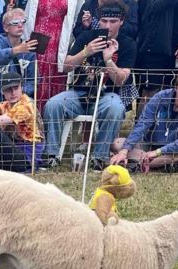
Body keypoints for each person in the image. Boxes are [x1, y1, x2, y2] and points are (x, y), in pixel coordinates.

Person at [42, 0, 135, 172]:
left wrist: (108, 60)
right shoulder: (86, 37)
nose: (108, 26)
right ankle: (51, 155)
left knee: (115, 107)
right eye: (104, 21)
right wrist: (86, 52)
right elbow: (66, 65)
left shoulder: (128, 43)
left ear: (121, 21)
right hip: (79, 93)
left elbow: (121, 80)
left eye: (113, 22)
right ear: (98, 20)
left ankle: (99, 158)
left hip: (107, 96)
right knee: (53, 104)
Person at [109, 69, 178, 172]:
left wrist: (158, 152)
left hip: (174, 150)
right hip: (149, 144)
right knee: (117, 143)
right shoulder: (161, 97)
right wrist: (124, 151)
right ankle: (155, 163)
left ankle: (139, 163)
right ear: (176, 88)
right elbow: (143, 124)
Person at [26, 0, 91, 107]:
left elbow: (77, 18)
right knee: (36, 74)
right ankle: (33, 116)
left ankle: (52, 114)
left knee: (56, 75)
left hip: (60, 41)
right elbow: (28, 15)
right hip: (37, 38)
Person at [134, 0, 178, 99]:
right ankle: (143, 115)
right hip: (154, 51)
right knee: (149, 94)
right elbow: (155, 7)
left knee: (173, 95)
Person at [0, 8, 37, 110]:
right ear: (6, 28)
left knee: (30, 105)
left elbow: (32, 81)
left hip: (18, 95)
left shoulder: (29, 50)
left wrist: (19, 93)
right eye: (15, 23)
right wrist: (15, 50)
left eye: (23, 21)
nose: (20, 25)